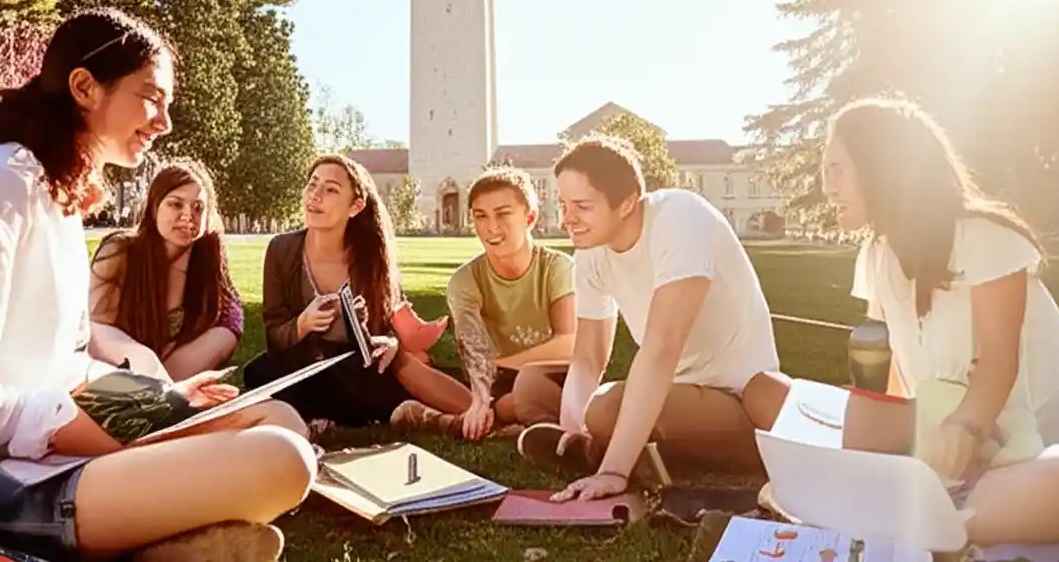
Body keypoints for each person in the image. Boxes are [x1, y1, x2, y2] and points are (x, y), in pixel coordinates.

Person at [0, 8, 314, 562]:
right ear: (85, 87)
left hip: (44, 450)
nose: (164, 121)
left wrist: (161, 401)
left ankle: (158, 542)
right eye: (150, 97)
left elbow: (64, 365)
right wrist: (81, 428)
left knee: (280, 422)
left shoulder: (57, 198)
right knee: (282, 462)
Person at [822, 97, 1059, 546]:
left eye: (836, 168)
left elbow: (999, 366)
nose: (826, 186)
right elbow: (884, 374)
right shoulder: (877, 256)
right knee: (847, 443)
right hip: (939, 462)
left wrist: (963, 428)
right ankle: (931, 525)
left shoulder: (986, 238)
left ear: (881, 166)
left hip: (1018, 459)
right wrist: (859, 458)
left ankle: (925, 529)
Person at [516, 134, 789, 501]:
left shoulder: (680, 218)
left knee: (608, 408)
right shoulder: (592, 253)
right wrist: (572, 431)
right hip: (674, 395)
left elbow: (662, 348)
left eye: (581, 205)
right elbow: (589, 356)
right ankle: (600, 448)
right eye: (563, 204)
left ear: (628, 202)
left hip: (739, 398)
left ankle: (618, 456)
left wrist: (612, 472)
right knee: (566, 397)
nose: (567, 219)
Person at [242, 154, 471, 434]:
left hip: (354, 366)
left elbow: (383, 330)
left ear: (356, 206)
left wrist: (390, 341)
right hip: (302, 365)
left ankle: (466, 415)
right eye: (312, 185)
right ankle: (404, 413)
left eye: (331, 190)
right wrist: (303, 324)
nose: (315, 195)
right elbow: (275, 336)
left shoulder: (370, 259)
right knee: (259, 372)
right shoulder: (282, 249)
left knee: (370, 370)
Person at [390, 166, 577, 440]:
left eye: (503, 214)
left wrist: (500, 365)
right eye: (481, 216)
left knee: (528, 387)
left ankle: (450, 421)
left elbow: (568, 345)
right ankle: (488, 416)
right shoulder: (465, 280)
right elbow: (473, 349)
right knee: (405, 365)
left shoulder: (558, 268)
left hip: (551, 377)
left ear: (530, 217)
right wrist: (482, 394)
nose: (491, 227)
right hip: (493, 383)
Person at [88, 158, 245, 381]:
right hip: (114, 361)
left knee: (227, 329)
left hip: (171, 365)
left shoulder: (206, 256)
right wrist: (145, 360)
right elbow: (91, 329)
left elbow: (231, 310)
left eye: (198, 207)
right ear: (154, 206)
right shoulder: (120, 251)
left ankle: (163, 393)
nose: (188, 216)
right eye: (176, 204)